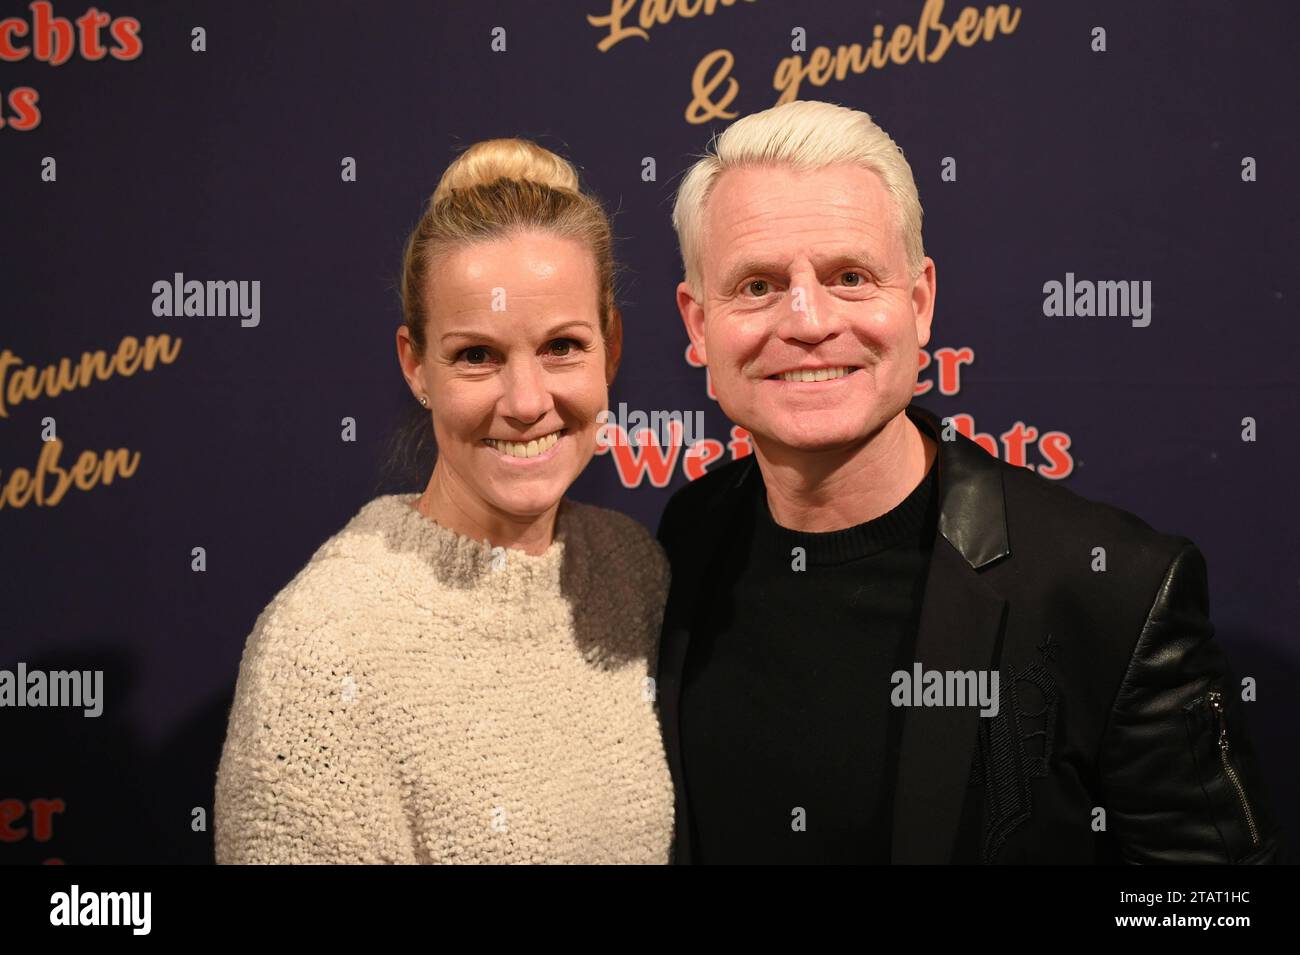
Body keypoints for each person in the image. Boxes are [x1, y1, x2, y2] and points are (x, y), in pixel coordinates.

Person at [655, 99, 1282, 864]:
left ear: (918, 303)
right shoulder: (683, 541)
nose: (808, 320)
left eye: (850, 276)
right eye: (756, 286)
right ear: (698, 324)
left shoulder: (1113, 590)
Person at [214, 139, 674, 864]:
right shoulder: (322, 649)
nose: (527, 402)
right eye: (476, 356)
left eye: (562, 346)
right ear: (415, 364)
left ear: (610, 349)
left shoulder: (632, 573)